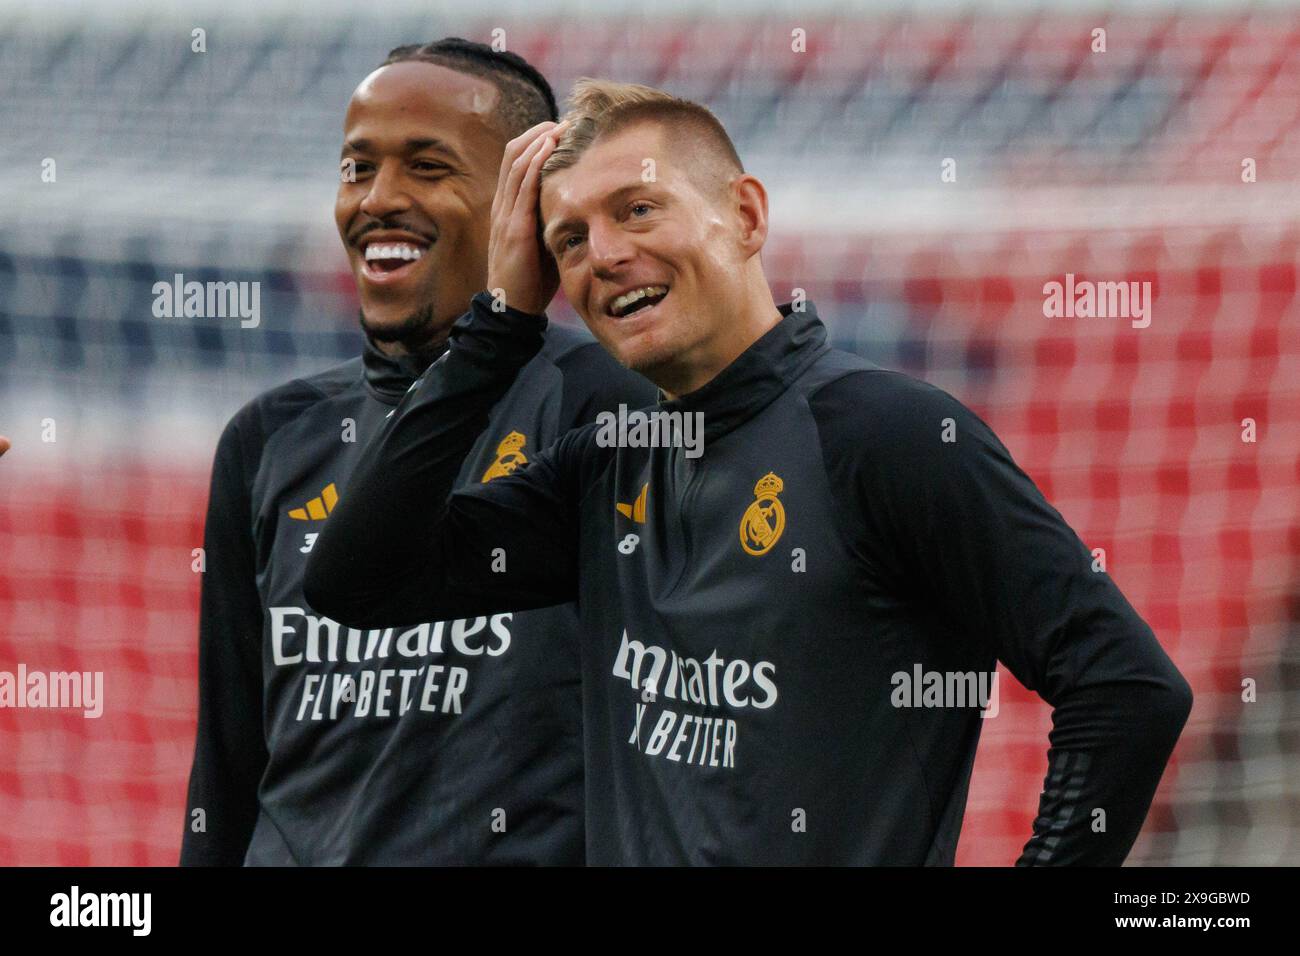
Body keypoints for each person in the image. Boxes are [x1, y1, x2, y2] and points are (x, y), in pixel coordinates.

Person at [304, 80, 1192, 865]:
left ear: (747, 216)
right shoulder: (609, 462)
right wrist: (498, 327)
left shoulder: (890, 437)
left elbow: (1126, 688)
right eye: (568, 240)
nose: (604, 254)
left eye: (638, 209)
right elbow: (355, 582)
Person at [181, 47, 654, 866]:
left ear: (523, 201)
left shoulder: (610, 413)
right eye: (356, 167)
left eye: (427, 168)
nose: (379, 199)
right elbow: (226, 770)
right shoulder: (268, 436)